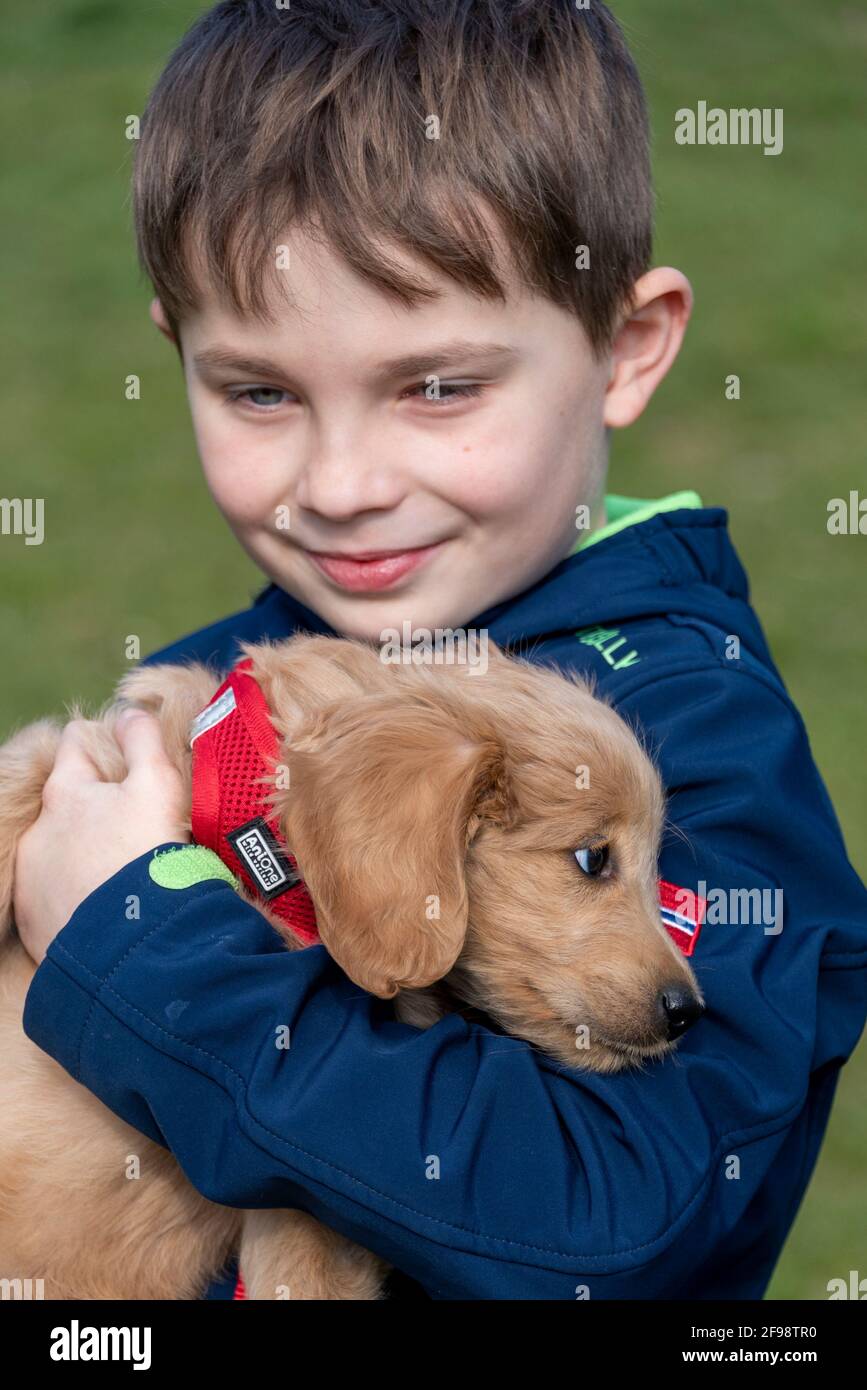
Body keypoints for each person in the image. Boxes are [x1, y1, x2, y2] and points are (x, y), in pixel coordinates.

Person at [15, 0, 867, 1300]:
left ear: (626, 351)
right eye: (260, 391)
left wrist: (138, 935)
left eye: (439, 386)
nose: (343, 483)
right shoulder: (248, 677)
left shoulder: (698, 752)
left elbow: (609, 1218)